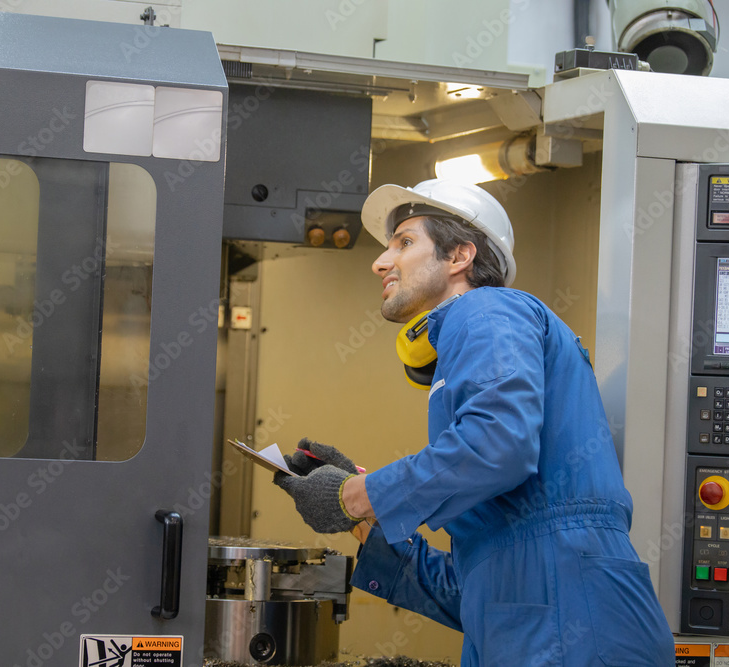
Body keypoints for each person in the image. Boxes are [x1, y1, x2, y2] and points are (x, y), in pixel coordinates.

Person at [274, 179, 675, 666]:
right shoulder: (482, 329)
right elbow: (477, 590)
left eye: (404, 242)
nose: (380, 262)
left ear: (460, 256)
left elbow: (496, 446)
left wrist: (353, 496)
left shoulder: (487, 308)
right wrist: (363, 518)